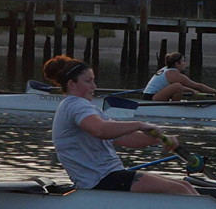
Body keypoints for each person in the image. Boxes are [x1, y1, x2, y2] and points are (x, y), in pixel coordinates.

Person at [44, 54, 198, 195]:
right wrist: (139, 124)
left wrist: (160, 139)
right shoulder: (75, 105)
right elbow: (100, 130)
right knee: (179, 189)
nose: (94, 86)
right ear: (72, 84)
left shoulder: (87, 109)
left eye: (93, 80)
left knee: (186, 187)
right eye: (88, 81)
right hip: (100, 181)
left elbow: (126, 138)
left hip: (110, 176)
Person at [141, 51, 216, 102]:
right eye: (183, 61)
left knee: (178, 87)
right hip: (151, 98)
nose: (185, 63)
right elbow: (198, 86)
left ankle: (175, 105)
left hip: (151, 95)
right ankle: (176, 108)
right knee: (177, 86)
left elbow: (184, 88)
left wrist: (192, 91)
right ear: (177, 63)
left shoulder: (166, 69)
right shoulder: (173, 74)